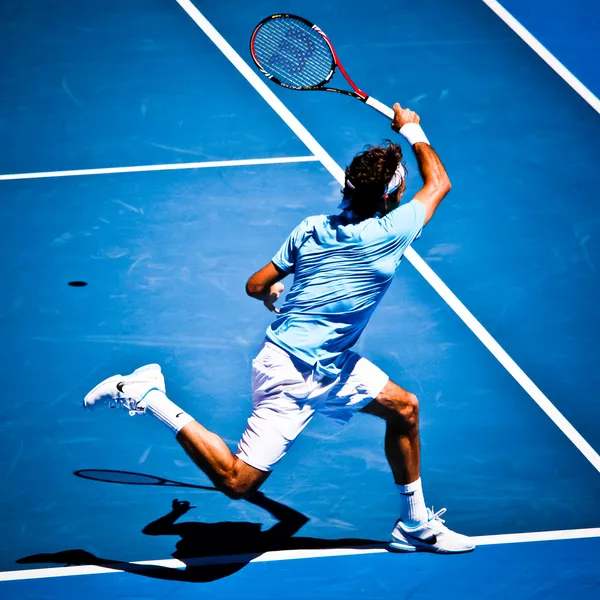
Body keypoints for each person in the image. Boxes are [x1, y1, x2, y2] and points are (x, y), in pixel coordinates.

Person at [84, 103, 474, 554]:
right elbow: (439, 182)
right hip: (289, 375)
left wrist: (271, 295)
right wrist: (413, 130)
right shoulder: (391, 231)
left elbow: (256, 284)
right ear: (388, 200)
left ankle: (415, 526)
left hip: (330, 363)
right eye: (399, 188)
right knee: (236, 483)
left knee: (404, 410)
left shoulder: (312, 229)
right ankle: (146, 395)